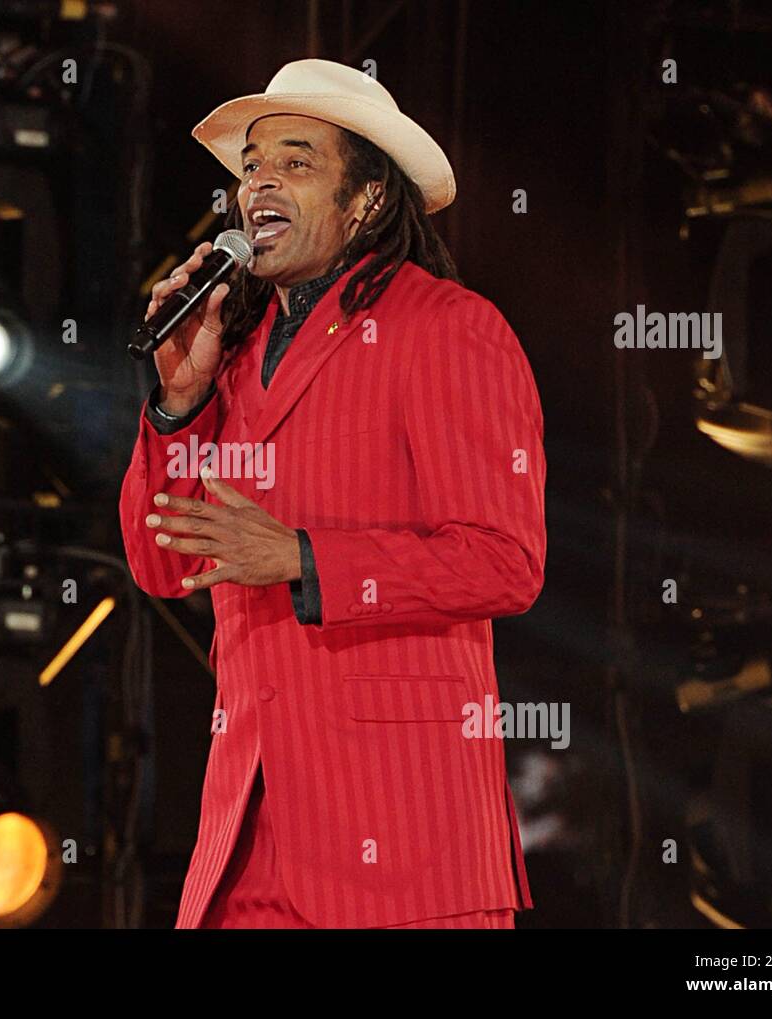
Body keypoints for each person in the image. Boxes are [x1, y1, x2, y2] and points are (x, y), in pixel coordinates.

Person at [119, 59, 546, 929]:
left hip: (406, 840)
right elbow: (165, 565)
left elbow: (507, 562)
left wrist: (305, 558)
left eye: (296, 162)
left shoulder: (449, 331)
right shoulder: (229, 354)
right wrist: (177, 405)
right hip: (249, 836)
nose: (260, 182)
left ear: (368, 202)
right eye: (251, 167)